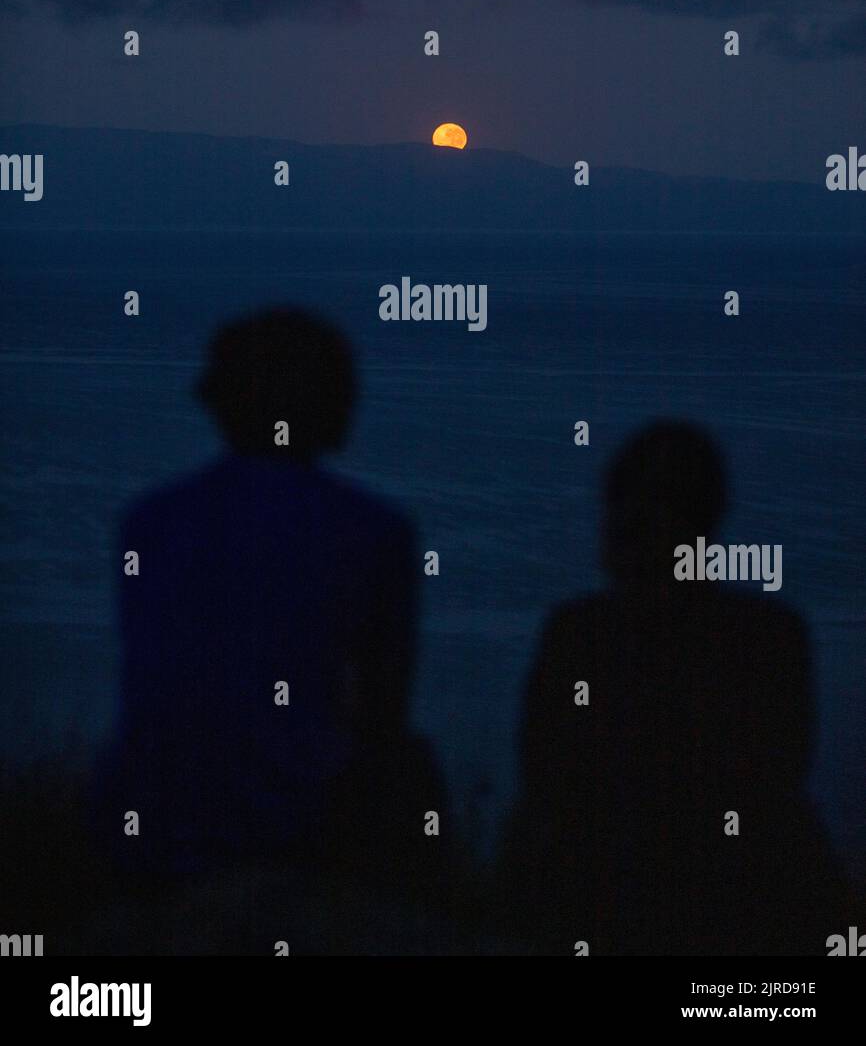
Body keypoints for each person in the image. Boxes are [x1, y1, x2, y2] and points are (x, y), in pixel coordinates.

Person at [93, 308, 445, 916]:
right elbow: (384, 713)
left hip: (145, 824)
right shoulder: (372, 529)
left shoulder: (149, 521)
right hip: (293, 835)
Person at [497, 420, 849, 955]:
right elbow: (783, 773)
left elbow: (543, 774)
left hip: (600, 896)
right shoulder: (773, 633)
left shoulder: (579, 631)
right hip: (741, 905)